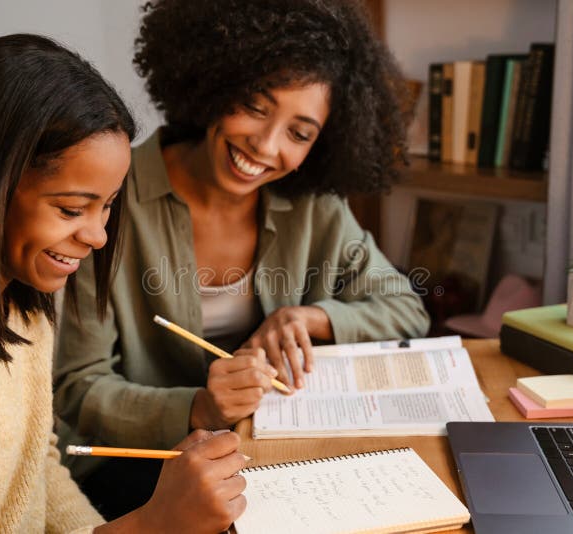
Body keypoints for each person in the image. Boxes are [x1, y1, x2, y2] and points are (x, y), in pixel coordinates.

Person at [54, 0, 430, 515]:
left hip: (269, 450)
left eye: (299, 133)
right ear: (216, 80)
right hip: (140, 460)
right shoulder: (114, 197)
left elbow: (406, 308)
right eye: (254, 106)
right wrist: (199, 407)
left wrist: (309, 318)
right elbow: (78, 388)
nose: (266, 146)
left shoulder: (314, 205)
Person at [0, 34, 246, 533]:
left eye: (107, 206)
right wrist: (153, 524)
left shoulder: (23, 308)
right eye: (71, 209)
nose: (98, 236)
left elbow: (38, 476)